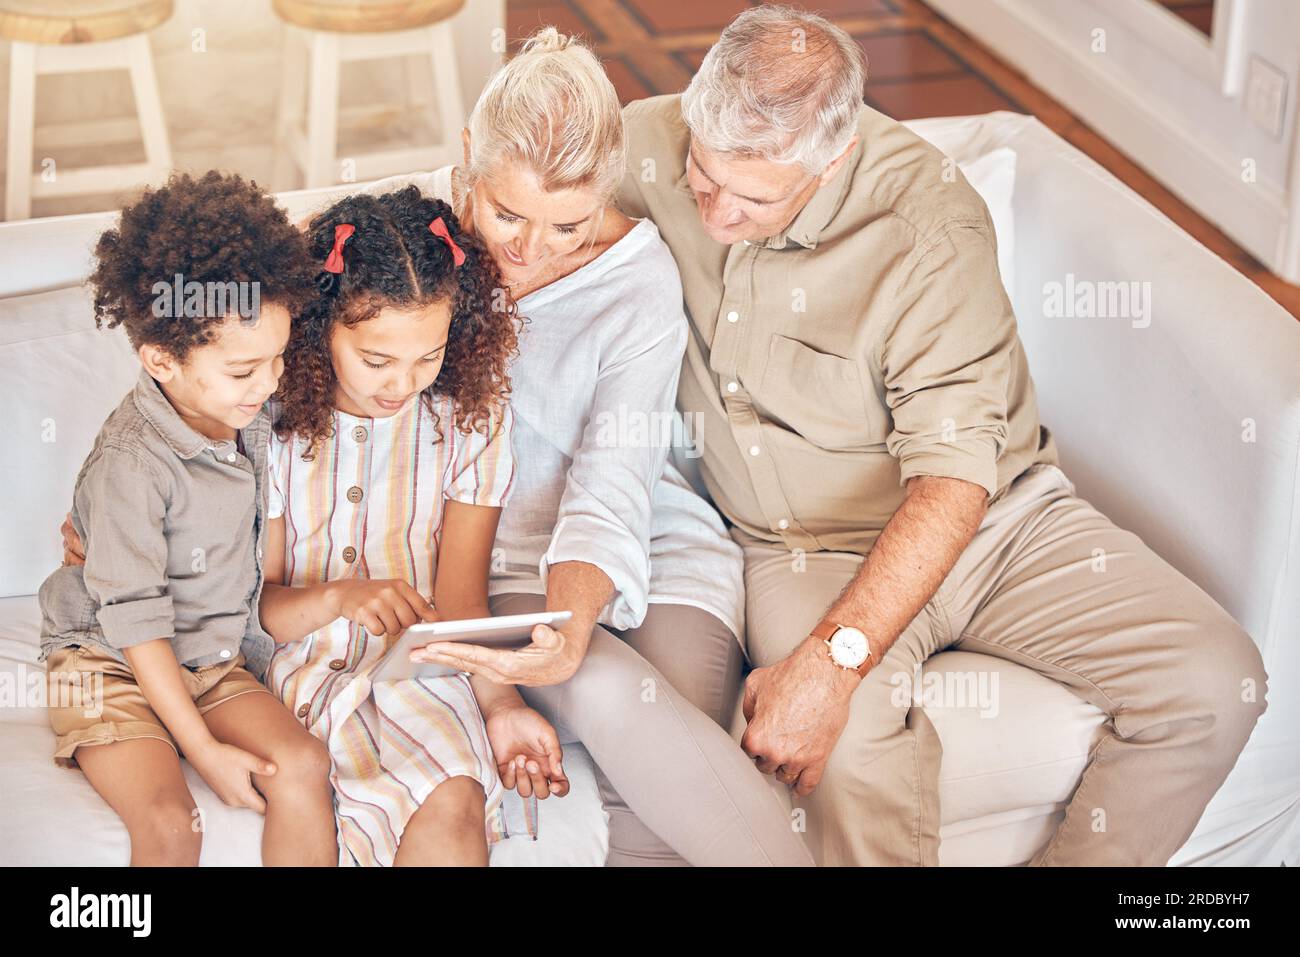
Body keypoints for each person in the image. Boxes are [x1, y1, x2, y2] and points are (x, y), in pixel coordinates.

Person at [615, 5, 1269, 865]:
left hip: (993, 521)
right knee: (836, 756)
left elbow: (954, 487)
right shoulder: (643, 146)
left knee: (1217, 682)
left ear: (834, 158)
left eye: (755, 197)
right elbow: (501, 181)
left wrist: (834, 661)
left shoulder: (929, 227)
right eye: (705, 181)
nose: (719, 216)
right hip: (808, 547)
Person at [372, 28, 813, 865]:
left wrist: (572, 627)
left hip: (653, 541)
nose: (527, 249)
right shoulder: (405, 237)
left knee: (664, 776)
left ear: (605, 189)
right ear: (468, 160)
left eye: (568, 223)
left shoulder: (640, 283)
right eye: (505, 212)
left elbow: (612, 487)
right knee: (615, 701)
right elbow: (269, 337)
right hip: (492, 566)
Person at [256, 187, 564, 866]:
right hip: (300, 671)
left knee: (454, 804)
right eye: (377, 360)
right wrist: (340, 598)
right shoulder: (271, 427)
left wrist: (502, 704)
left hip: (421, 672)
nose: (404, 383)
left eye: (429, 356)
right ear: (320, 327)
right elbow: (264, 611)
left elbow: (460, 603)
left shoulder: (470, 421)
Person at [39, 171, 337, 866]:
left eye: (277, 359)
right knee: (174, 824)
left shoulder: (250, 409)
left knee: (301, 764)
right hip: (108, 658)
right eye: (244, 371)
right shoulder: (132, 464)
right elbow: (137, 626)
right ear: (162, 360)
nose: (268, 385)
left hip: (205, 654)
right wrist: (202, 749)